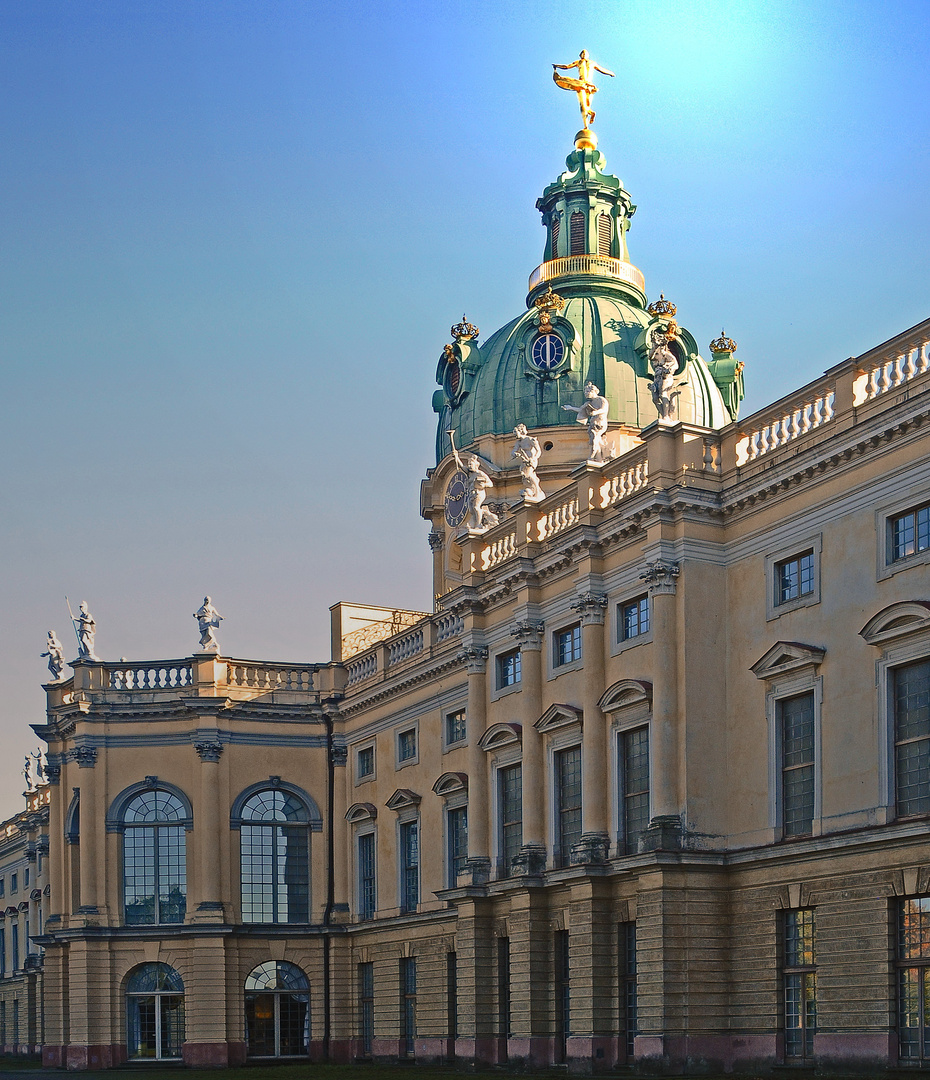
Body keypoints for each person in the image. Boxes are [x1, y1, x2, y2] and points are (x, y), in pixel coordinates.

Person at [552, 50, 615, 129]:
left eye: (585, 54)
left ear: (588, 55)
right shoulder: (578, 62)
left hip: (589, 86)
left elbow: (602, 69)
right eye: (582, 54)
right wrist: (557, 66)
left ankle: (591, 112)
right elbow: (567, 66)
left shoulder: (592, 63)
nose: (584, 55)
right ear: (580, 55)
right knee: (583, 104)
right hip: (581, 83)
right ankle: (586, 125)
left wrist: (610, 73)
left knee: (587, 104)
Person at [451, 445, 499, 532]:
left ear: (476, 465)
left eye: (471, 464)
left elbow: (490, 484)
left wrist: (482, 485)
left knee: (476, 507)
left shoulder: (480, 473)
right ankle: (475, 522)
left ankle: (478, 524)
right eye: (468, 464)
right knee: (471, 510)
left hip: (479, 493)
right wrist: (456, 457)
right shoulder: (469, 473)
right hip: (471, 493)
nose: (469, 466)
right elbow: (461, 466)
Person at [562, 381, 611, 461]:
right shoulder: (588, 403)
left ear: (593, 391)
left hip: (600, 423)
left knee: (595, 438)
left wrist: (595, 412)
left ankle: (592, 456)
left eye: (587, 391)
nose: (586, 393)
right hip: (593, 423)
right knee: (594, 439)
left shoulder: (601, 400)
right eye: (585, 391)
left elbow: (604, 409)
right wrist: (570, 408)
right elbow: (581, 410)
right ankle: (597, 456)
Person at [648, 329, 679, 420]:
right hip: (657, 377)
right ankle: (664, 413)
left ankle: (666, 415)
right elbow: (650, 356)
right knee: (655, 398)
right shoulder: (656, 355)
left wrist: (669, 369)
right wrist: (654, 347)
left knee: (663, 394)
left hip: (665, 376)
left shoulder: (666, 355)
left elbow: (675, 364)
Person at [512, 424, 544, 503]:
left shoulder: (530, 439)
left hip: (531, 459)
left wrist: (533, 458)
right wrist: (515, 454)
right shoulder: (518, 442)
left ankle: (536, 491)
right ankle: (533, 489)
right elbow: (513, 451)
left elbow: (538, 451)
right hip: (524, 460)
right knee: (524, 476)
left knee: (528, 475)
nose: (515, 435)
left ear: (521, 431)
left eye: (516, 432)